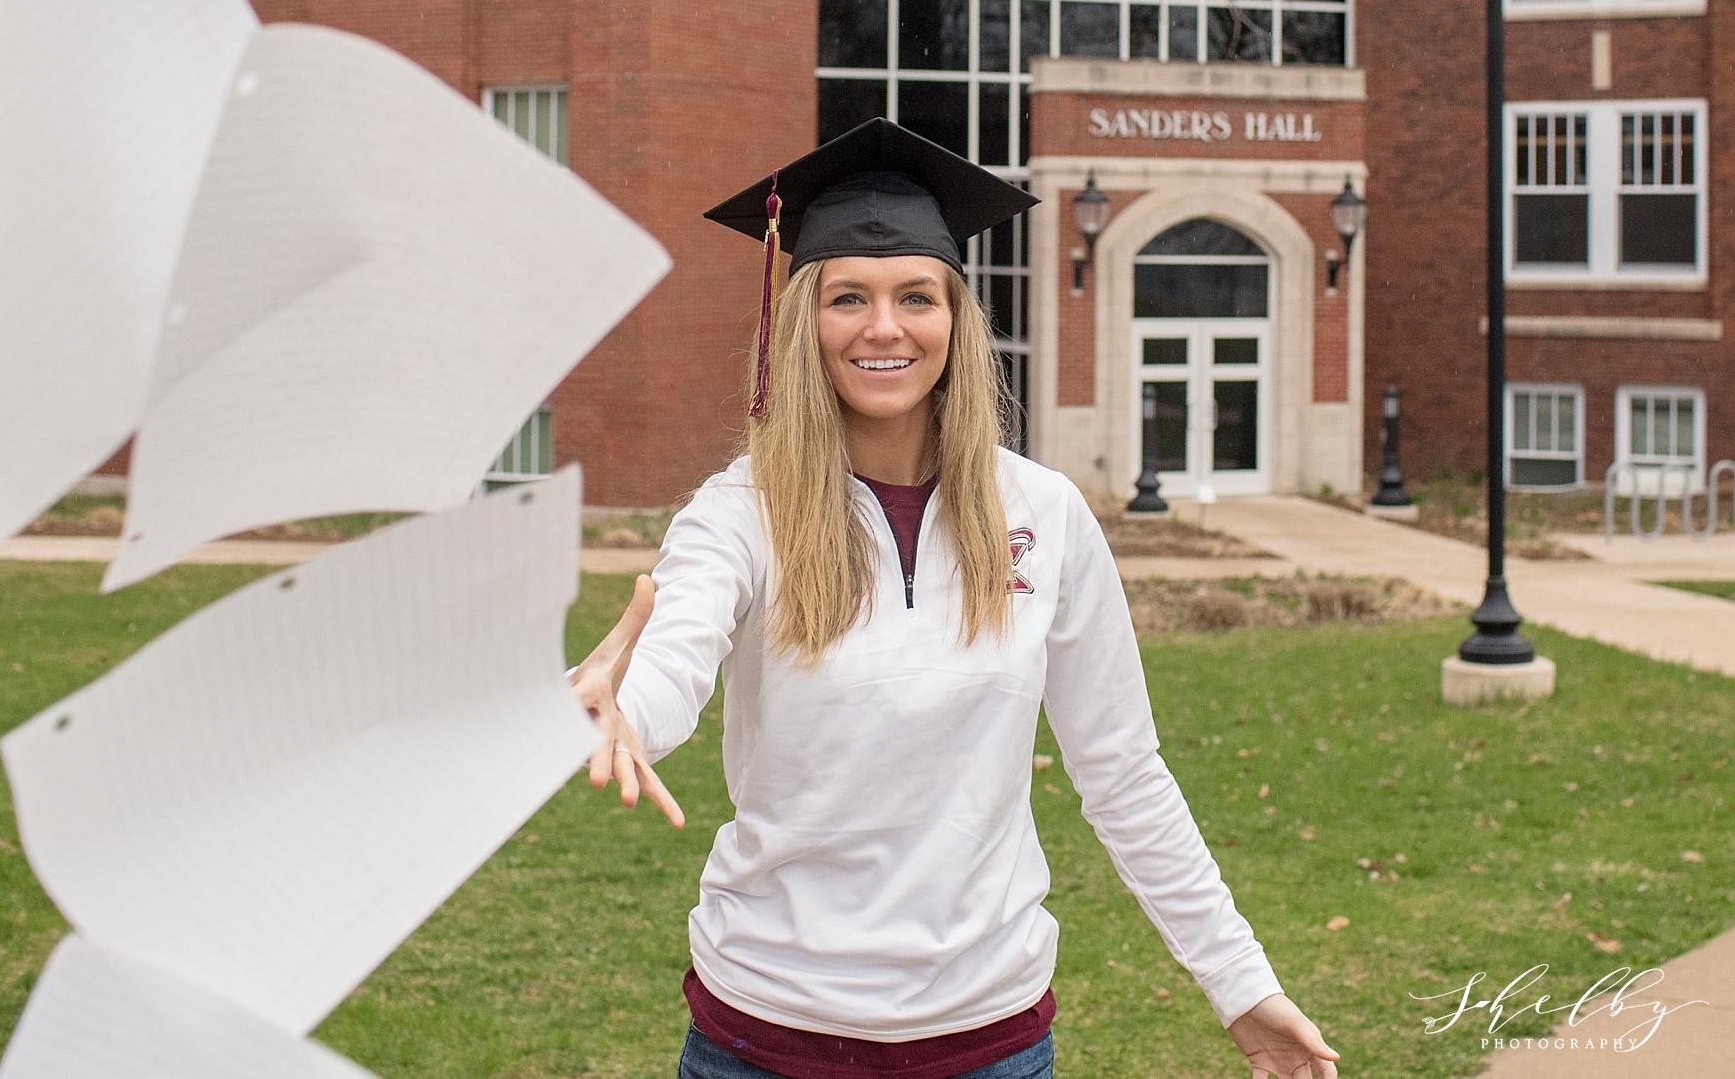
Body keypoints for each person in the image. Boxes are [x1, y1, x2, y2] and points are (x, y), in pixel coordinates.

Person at [570, 119, 1340, 1079]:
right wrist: (616, 709)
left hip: (989, 1043)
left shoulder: (1045, 516)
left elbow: (1124, 775)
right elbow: (670, 662)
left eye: (915, 297)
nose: (883, 327)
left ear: (956, 318)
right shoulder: (739, 515)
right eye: (847, 296)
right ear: (802, 320)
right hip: (764, 1040)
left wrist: (1241, 986)